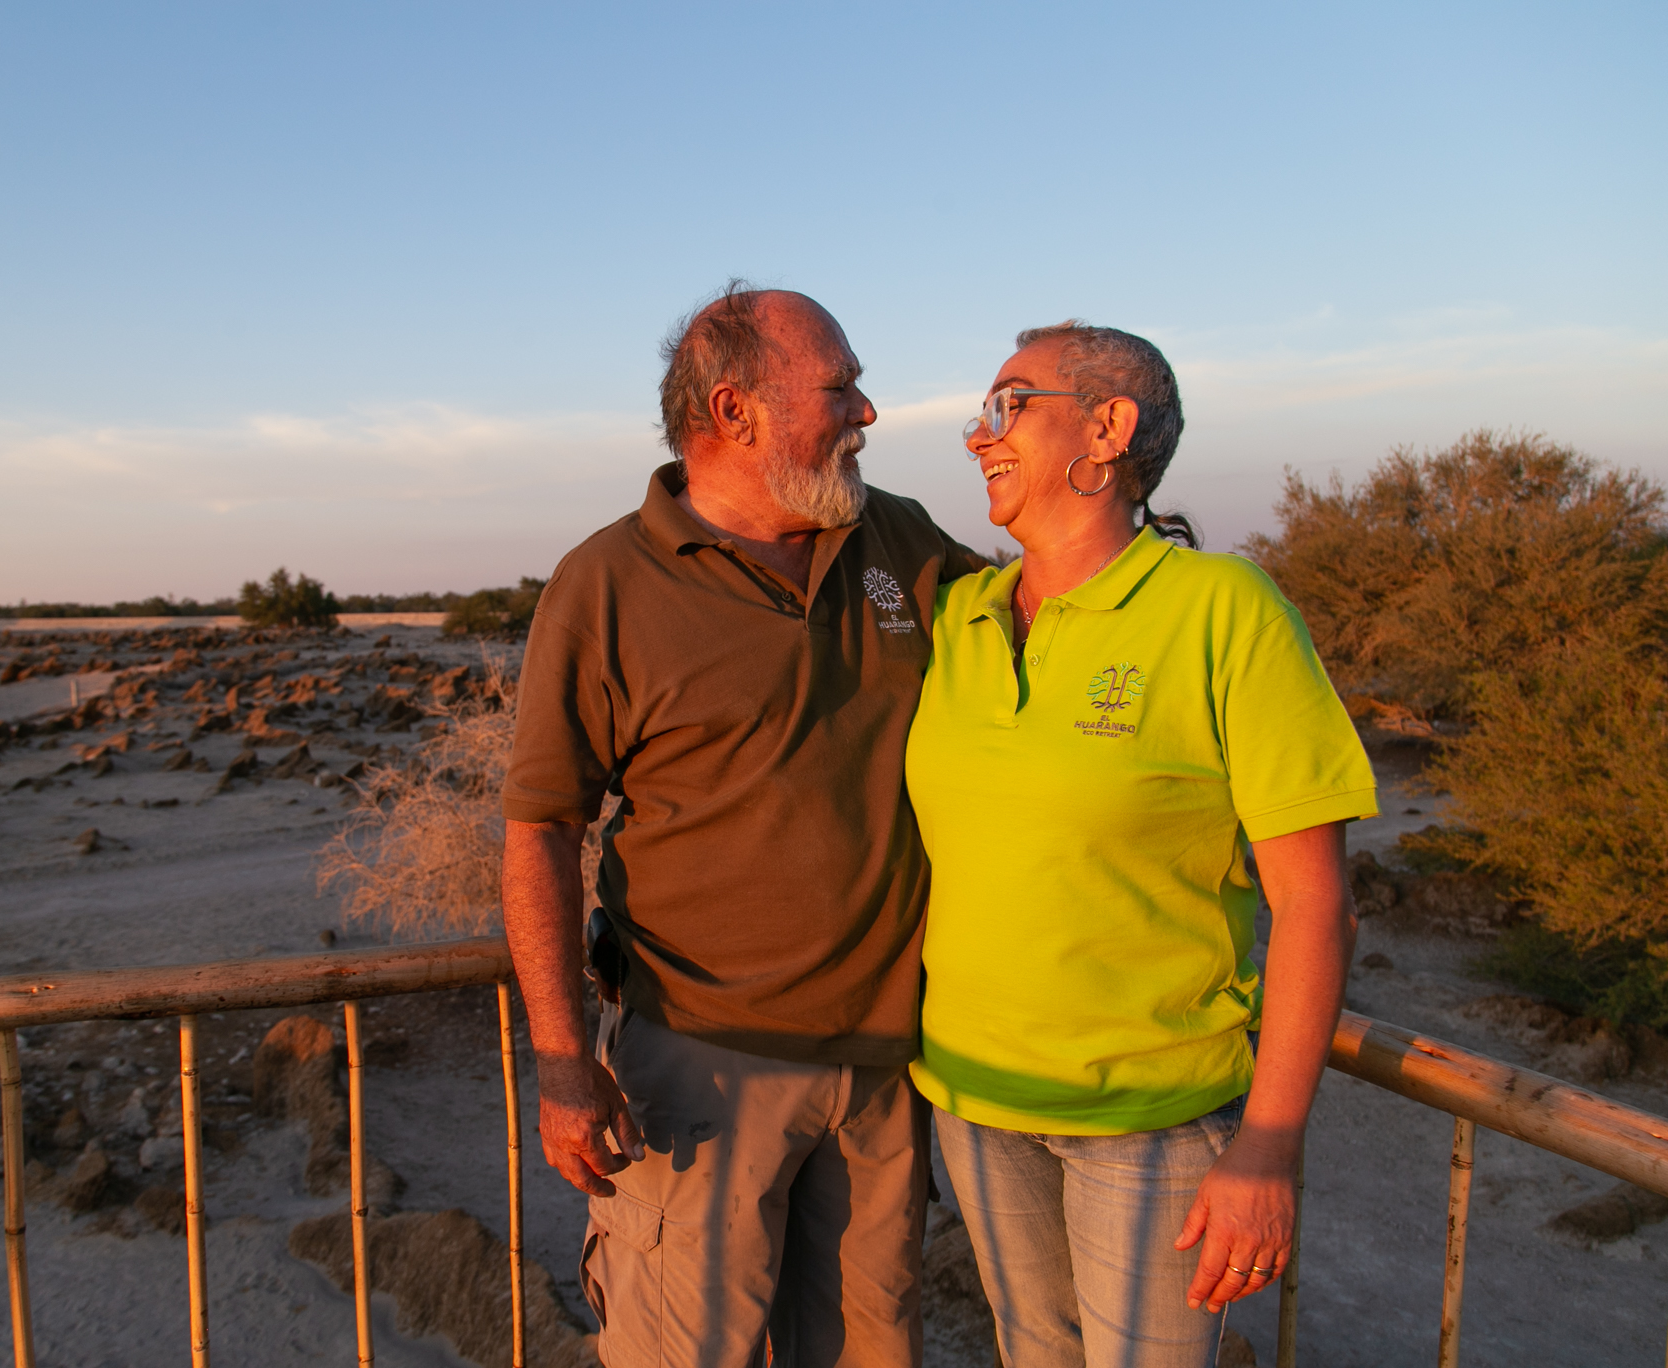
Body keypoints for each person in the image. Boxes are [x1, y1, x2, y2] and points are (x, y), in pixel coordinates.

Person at [501, 282, 985, 1368]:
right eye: (841, 388)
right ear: (734, 412)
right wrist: (562, 1058)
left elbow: (1030, 649)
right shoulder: (606, 584)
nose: (867, 413)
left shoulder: (895, 538)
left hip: (888, 1075)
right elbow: (541, 829)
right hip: (701, 1073)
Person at [905, 322, 1374, 1367]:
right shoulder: (963, 615)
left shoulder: (1223, 611)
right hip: (973, 1103)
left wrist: (1268, 1146)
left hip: (1150, 1122)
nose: (980, 436)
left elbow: (1315, 904)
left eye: (1009, 404)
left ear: (1107, 430)